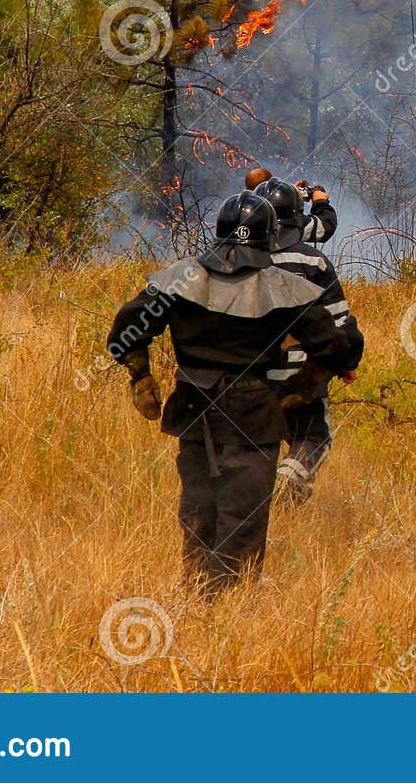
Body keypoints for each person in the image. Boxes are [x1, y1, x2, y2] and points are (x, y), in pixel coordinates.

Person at [106, 191, 364, 594]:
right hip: (252, 414)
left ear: (219, 233)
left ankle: (195, 597)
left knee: (198, 510)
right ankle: (225, 610)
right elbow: (341, 348)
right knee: (241, 519)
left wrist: (141, 376)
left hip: (193, 409)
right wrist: (305, 384)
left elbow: (126, 330)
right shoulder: (280, 287)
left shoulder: (181, 278)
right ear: (269, 236)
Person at [253, 178, 355, 502]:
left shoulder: (233, 260)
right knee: (313, 437)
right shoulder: (313, 261)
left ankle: (254, 497)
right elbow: (338, 321)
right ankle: (292, 476)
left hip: (248, 373)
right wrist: (345, 361)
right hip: (301, 370)